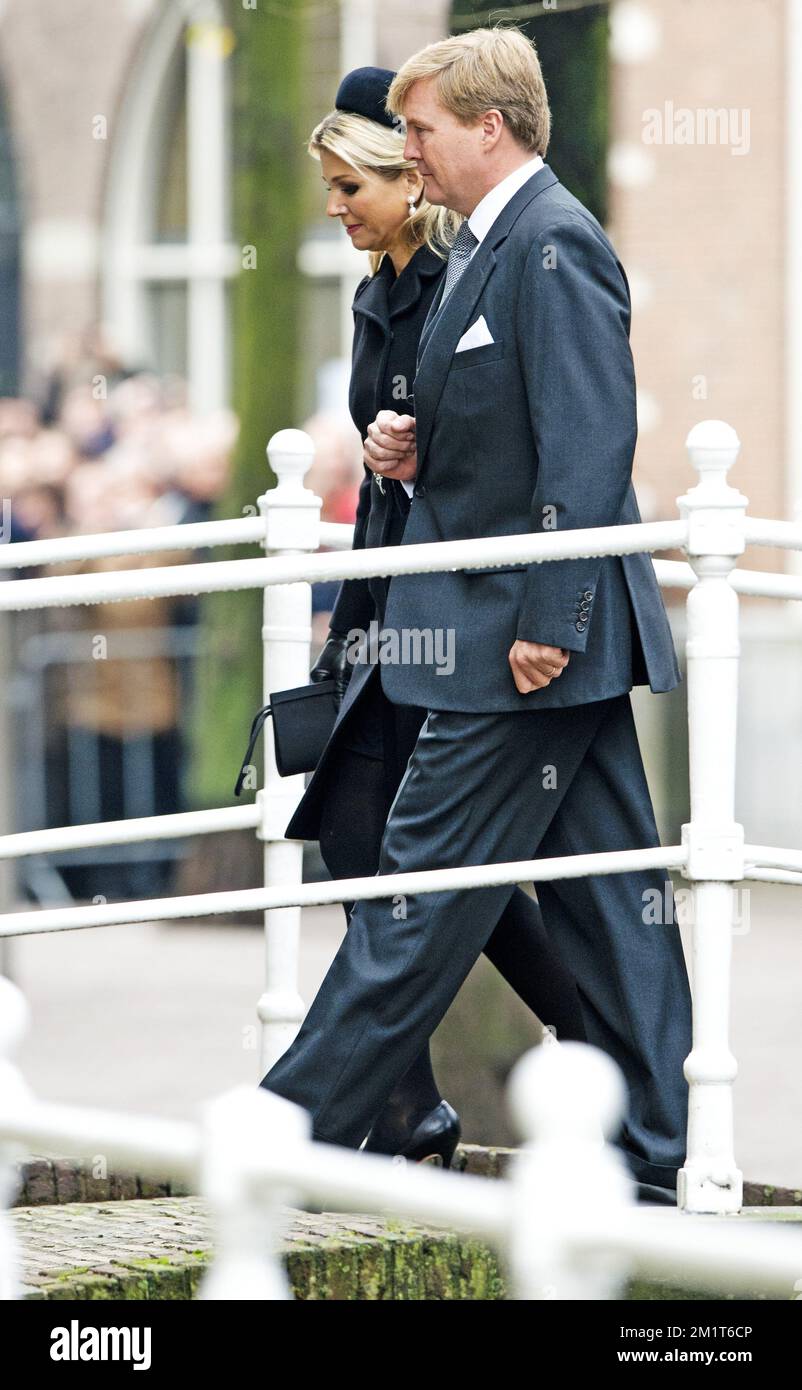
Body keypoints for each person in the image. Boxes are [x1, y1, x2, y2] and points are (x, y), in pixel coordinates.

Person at [262, 30, 693, 1205]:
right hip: (515, 638)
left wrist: (549, 618)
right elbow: (507, 432)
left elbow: (593, 441)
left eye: (419, 132)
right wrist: (408, 447)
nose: (407, 151)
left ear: (485, 130)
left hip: (520, 646)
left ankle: (277, 1137)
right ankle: (649, 1158)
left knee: (414, 900)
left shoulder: (551, 244)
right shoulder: (489, 251)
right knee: (612, 911)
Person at [282, 66, 588, 1168]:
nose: (334, 205)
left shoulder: (468, 273)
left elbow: (531, 440)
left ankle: (551, 1049)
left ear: (394, 176)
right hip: (386, 597)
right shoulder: (380, 287)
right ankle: (418, 1101)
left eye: (345, 184)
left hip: (452, 609)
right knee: (378, 837)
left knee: (417, 848)